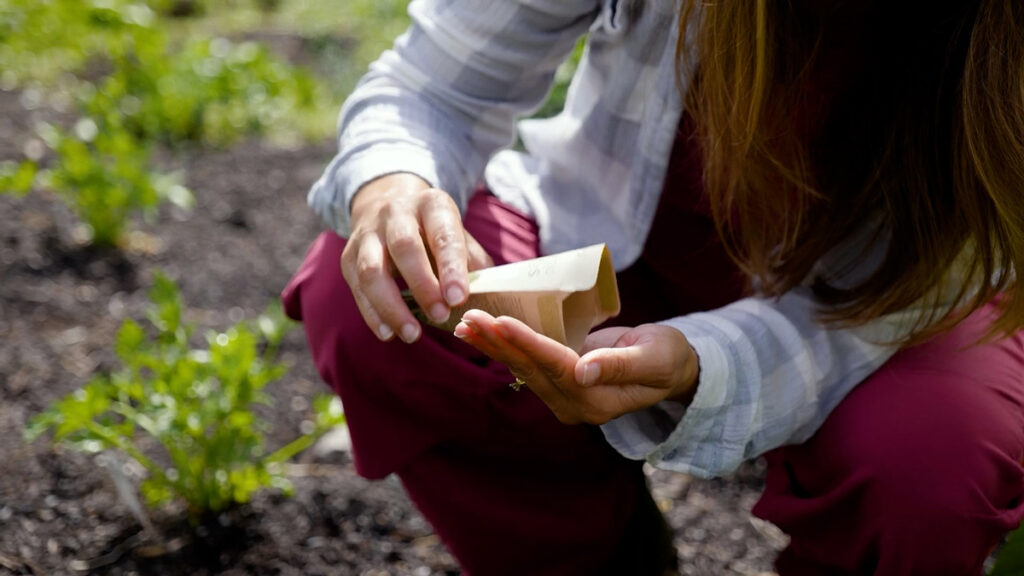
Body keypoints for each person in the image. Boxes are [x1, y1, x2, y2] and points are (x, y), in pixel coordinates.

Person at [282, 0, 1024, 574]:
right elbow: (434, 86)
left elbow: (937, 276)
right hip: (630, 249)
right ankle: (590, 559)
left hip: (896, 305)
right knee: (384, 291)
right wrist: (393, 181)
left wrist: (708, 361)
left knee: (930, 465)